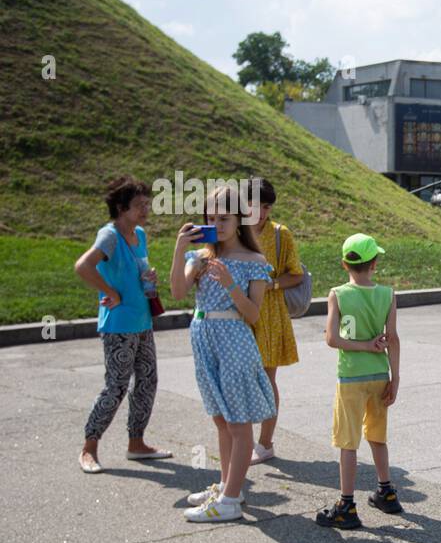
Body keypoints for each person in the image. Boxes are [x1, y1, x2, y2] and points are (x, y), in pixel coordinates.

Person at [169, 185, 278, 522]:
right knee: (220, 419)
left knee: (238, 421)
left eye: (224, 218)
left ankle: (229, 500)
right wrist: (179, 250)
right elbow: (176, 293)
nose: (217, 223)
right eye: (211, 217)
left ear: (240, 220)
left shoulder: (254, 261)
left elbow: (253, 315)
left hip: (234, 340)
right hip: (203, 338)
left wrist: (230, 282)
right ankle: (230, 485)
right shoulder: (201, 257)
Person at [74, 176, 172, 473]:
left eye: (147, 204)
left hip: (141, 320)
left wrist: (149, 279)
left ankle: (136, 443)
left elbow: (135, 269)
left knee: (147, 381)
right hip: (118, 325)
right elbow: (83, 266)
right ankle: (89, 448)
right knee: (116, 386)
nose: (146, 210)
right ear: (121, 207)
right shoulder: (110, 235)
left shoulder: (139, 234)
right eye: (139, 206)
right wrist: (110, 291)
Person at [317, 233, 402, 529]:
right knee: (377, 435)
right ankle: (386, 491)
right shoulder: (388, 295)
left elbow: (332, 339)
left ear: (344, 264)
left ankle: (347, 505)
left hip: (351, 376)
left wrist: (364, 345)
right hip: (380, 375)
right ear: (374, 263)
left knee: (348, 441)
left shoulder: (338, 294)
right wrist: (396, 376)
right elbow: (391, 339)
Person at [247, 177, 304, 464]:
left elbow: (297, 274)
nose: (263, 212)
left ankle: (265, 442)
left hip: (269, 312)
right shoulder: (233, 229)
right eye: (257, 205)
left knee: (267, 379)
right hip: (238, 311)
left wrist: (271, 285)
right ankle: (241, 439)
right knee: (239, 377)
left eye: (267, 206)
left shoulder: (281, 234)